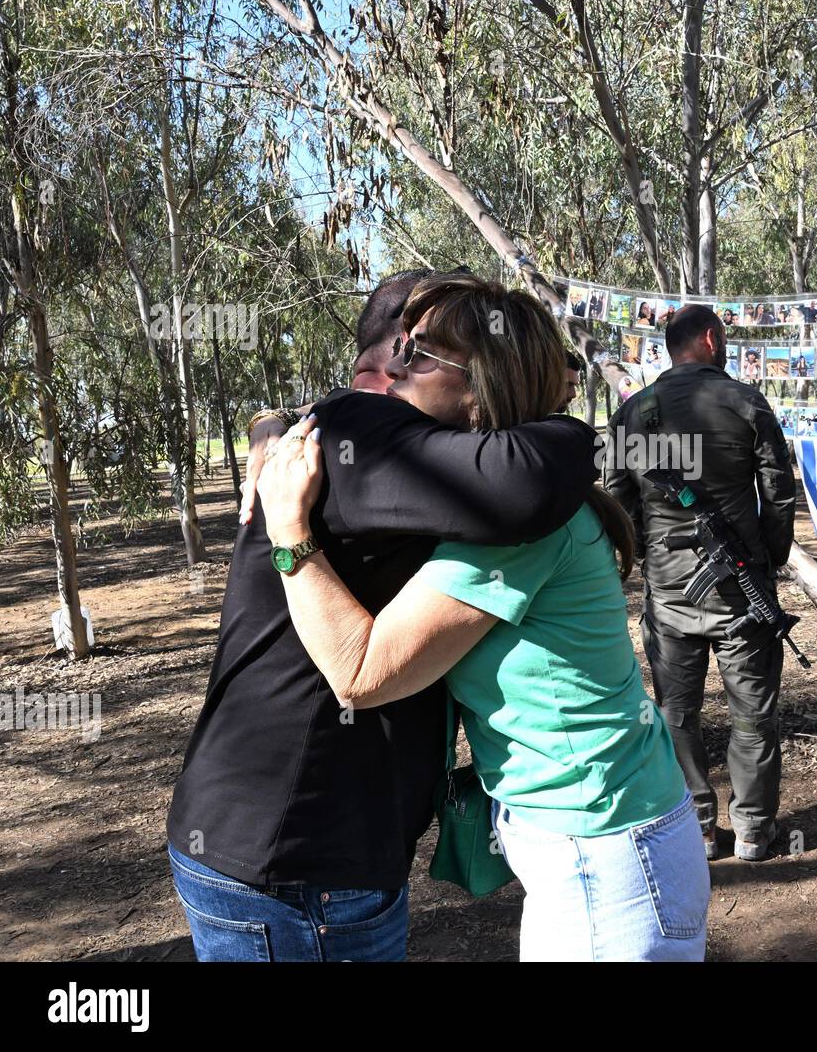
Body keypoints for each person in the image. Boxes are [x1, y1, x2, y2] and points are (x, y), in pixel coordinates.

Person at [255, 274, 709, 961]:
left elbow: (360, 672)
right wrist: (267, 427)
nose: (396, 370)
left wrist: (289, 531)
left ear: (482, 382)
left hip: (605, 859)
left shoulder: (517, 531)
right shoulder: (513, 503)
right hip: (608, 839)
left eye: (420, 356)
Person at [167, 270, 597, 961]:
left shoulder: (341, 430)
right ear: (403, 351)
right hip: (299, 862)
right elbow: (531, 482)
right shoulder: (362, 429)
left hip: (281, 844)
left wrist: (267, 421)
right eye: (469, 360)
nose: (485, 399)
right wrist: (557, 415)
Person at [606, 305, 797, 862]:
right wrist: (767, 557)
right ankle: (755, 829)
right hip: (743, 591)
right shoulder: (745, 402)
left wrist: (647, 555)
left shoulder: (633, 412)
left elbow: (615, 499)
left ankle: (700, 827)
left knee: (676, 712)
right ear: (711, 339)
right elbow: (778, 491)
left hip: (668, 593)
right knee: (753, 712)